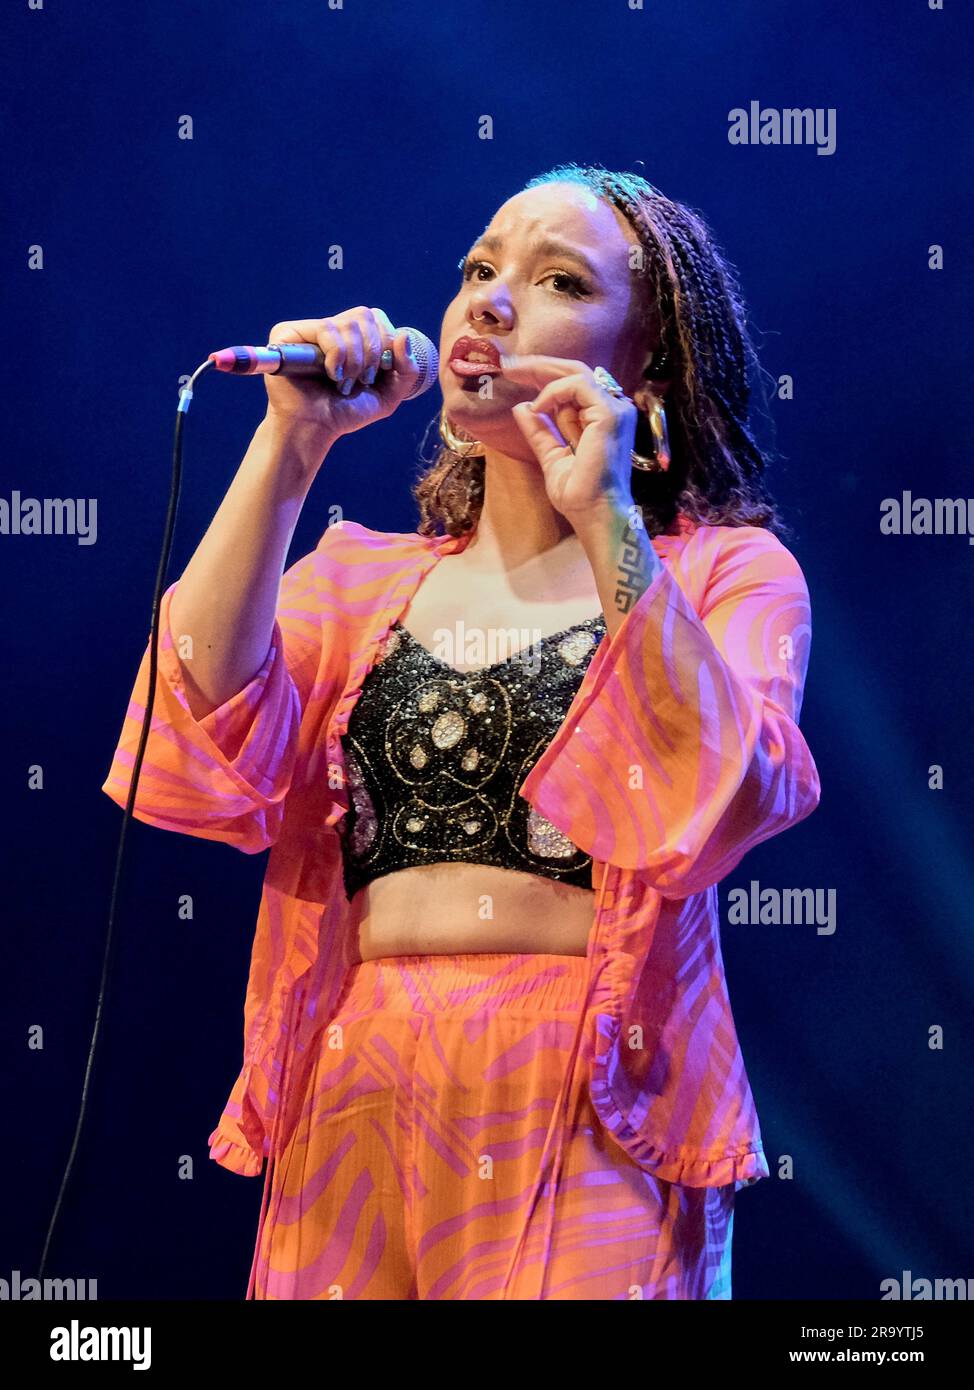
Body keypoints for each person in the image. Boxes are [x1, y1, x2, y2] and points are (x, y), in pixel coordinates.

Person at [101, 162, 821, 1300]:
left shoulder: (722, 574)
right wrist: (293, 444)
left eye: (555, 280)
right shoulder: (358, 581)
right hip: (352, 1077)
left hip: (587, 1095)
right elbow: (191, 725)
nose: (488, 300)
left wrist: (607, 521)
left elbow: (723, 794)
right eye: (479, 269)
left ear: (647, 364)